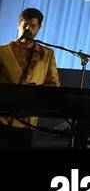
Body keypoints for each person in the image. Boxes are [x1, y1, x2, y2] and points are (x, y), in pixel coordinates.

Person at [0, 8, 60, 148]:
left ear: (39, 28)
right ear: (18, 25)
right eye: (24, 24)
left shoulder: (47, 54)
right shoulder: (2, 52)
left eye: (33, 26)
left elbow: (53, 85)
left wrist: (36, 95)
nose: (28, 28)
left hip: (28, 121)